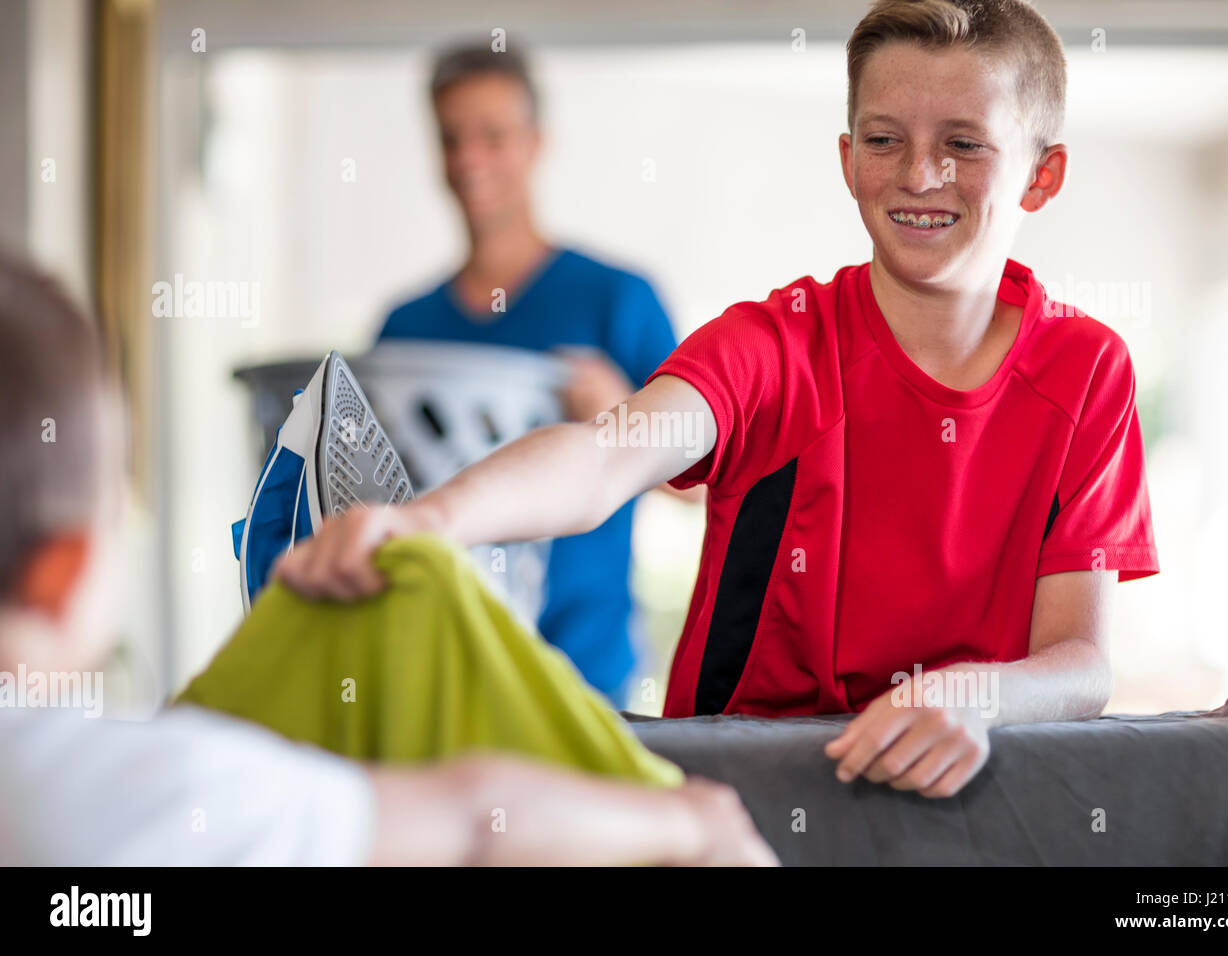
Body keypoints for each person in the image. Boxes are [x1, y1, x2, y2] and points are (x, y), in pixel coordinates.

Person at [275, 0, 1160, 800]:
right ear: (849, 161)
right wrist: (431, 523)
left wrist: (975, 694)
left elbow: (1080, 663)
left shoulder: (1087, 370)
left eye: (964, 143)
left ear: (1041, 176)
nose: (920, 175)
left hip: (967, 781)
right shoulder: (777, 342)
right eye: (885, 139)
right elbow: (605, 454)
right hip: (741, 792)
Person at [0, 251, 776, 866]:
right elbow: (474, 825)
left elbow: (677, 481)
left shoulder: (613, 298)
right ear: (63, 572)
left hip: (577, 645)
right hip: (473, 690)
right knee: (407, 584)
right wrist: (690, 820)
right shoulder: (128, 795)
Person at [378, 43, 686, 707]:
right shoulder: (404, 330)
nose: (469, 160)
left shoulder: (616, 299)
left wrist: (625, 418)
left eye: (492, 135)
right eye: (451, 138)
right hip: (441, 680)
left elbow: (710, 489)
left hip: (588, 680)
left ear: (536, 143)